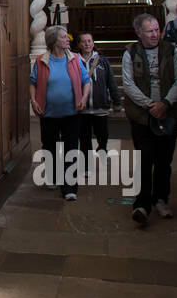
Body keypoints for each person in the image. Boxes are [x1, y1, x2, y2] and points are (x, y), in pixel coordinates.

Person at [121, 13, 177, 226]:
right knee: (145, 157)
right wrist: (150, 105)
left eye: (157, 29)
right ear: (139, 33)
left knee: (164, 159)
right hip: (142, 116)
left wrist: (165, 103)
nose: (155, 34)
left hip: (168, 112)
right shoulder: (130, 53)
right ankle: (141, 204)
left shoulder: (171, 50)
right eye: (149, 31)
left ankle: (161, 199)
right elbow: (128, 84)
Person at [29, 24, 91, 200]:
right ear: (54, 40)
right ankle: (52, 176)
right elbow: (33, 82)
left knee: (71, 148)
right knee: (50, 146)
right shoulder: (42, 60)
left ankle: (70, 187)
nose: (68, 39)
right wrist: (33, 101)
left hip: (72, 112)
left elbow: (86, 81)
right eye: (64, 37)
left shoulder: (75, 59)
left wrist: (84, 97)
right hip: (48, 113)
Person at [76, 32, 118, 159]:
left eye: (89, 41)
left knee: (102, 135)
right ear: (79, 44)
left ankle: (102, 149)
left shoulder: (103, 61)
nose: (87, 44)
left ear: (93, 43)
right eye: (84, 41)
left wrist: (117, 102)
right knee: (84, 138)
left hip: (100, 106)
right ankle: (87, 165)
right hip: (83, 108)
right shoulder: (75, 61)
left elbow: (111, 82)